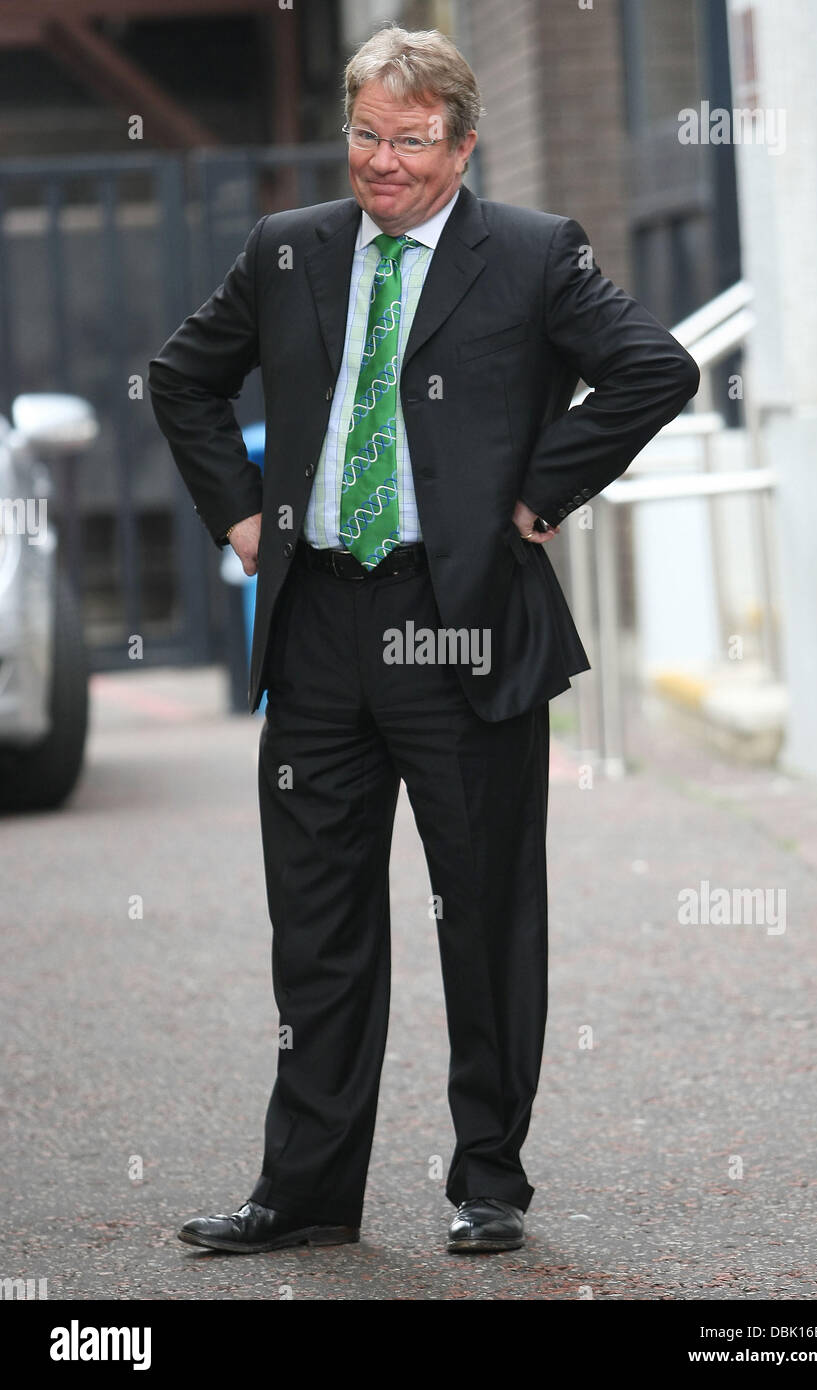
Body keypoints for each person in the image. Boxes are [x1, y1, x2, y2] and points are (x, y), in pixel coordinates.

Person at [148, 22, 699, 1256]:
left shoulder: (531, 254)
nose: (381, 162)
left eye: (408, 140)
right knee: (318, 919)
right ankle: (305, 1188)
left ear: (460, 144)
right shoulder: (287, 253)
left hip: (459, 626)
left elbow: (653, 368)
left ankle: (489, 1177)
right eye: (364, 134)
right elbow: (181, 377)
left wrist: (533, 495)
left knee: (485, 906)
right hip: (321, 625)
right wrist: (241, 519)